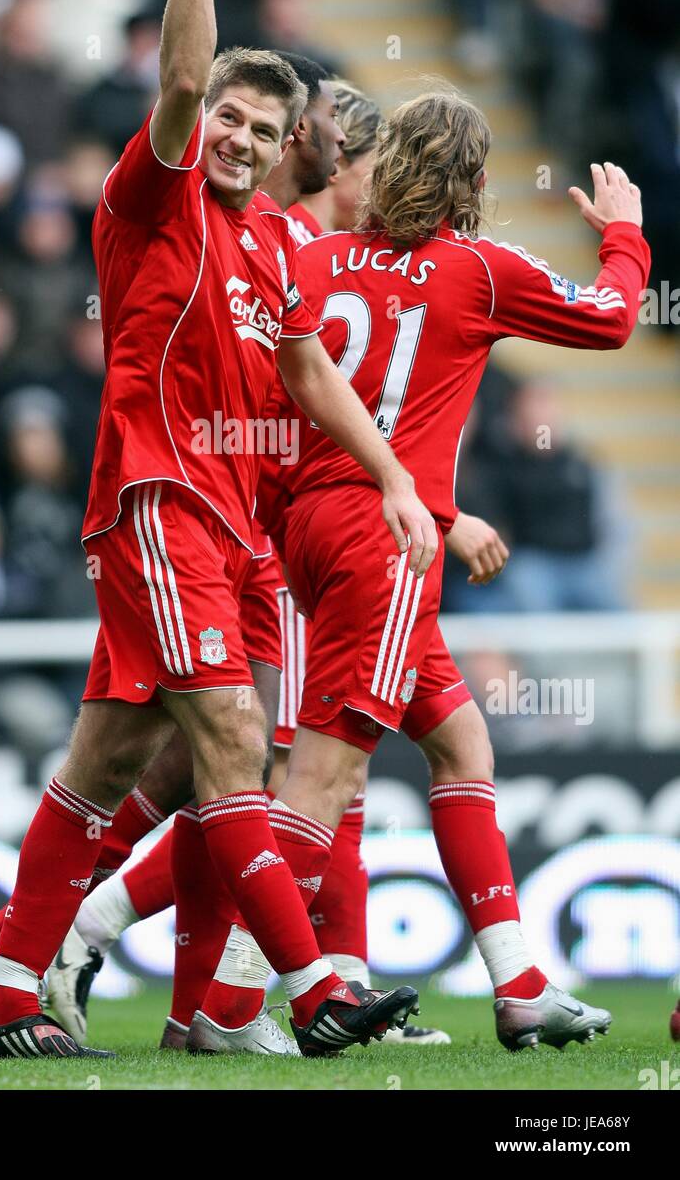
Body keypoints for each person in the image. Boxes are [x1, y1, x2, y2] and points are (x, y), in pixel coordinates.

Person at [0, 0, 436, 1062]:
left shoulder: (275, 241)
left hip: (231, 529)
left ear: (280, 151)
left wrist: (392, 477)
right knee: (230, 739)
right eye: (228, 115)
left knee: (111, 764)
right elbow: (180, 74)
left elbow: (309, 373)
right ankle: (314, 982)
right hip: (155, 498)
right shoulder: (153, 196)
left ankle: (7, 988)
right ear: (202, 116)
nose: (236, 136)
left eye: (261, 131)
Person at [192, 92, 649, 1054]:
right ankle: (224, 1008)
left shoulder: (312, 257)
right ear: (476, 184)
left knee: (458, 745)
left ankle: (520, 984)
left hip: (303, 532)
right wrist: (624, 237)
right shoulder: (477, 270)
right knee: (325, 775)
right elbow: (611, 321)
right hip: (387, 540)